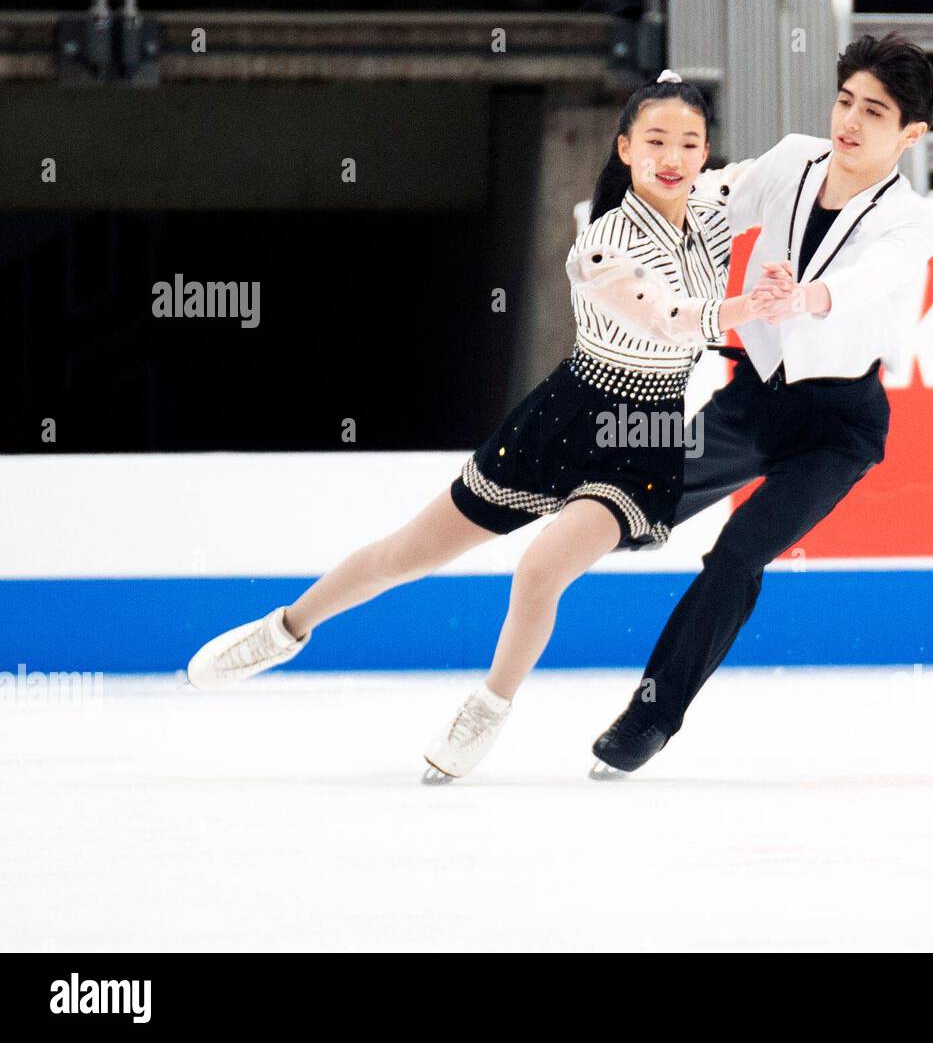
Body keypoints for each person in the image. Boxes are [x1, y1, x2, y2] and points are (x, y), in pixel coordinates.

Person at [184, 70, 777, 783]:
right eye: (656, 139)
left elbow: (783, 175)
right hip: (564, 416)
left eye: (690, 142)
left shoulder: (713, 207)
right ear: (624, 148)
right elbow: (669, 316)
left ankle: (488, 707)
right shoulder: (601, 239)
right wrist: (760, 304)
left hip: (641, 436)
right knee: (407, 554)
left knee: (541, 568)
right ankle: (287, 628)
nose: (674, 155)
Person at [589, 33, 933, 778]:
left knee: (738, 554)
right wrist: (643, 206)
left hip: (836, 428)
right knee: (620, 508)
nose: (848, 120)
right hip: (753, 397)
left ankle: (650, 718)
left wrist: (809, 296)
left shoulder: (911, 221)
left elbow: (872, 278)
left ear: (912, 133)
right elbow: (713, 196)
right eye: (845, 99)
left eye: (873, 112)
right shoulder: (792, 159)